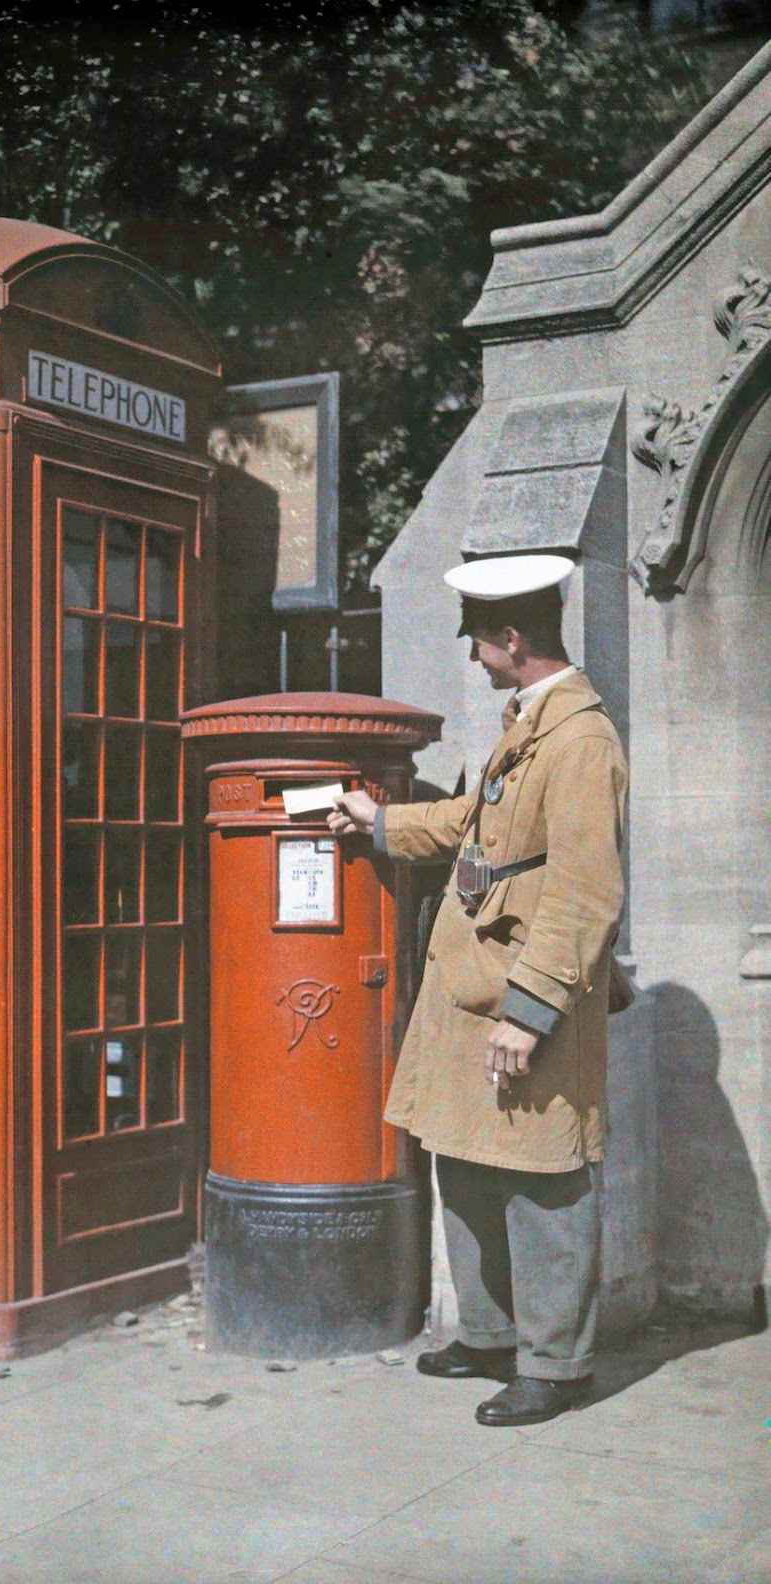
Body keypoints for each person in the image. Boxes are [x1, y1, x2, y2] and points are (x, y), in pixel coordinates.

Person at [328, 553, 628, 1427]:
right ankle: (491, 1335)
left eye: (479, 642)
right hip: (467, 987)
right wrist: (378, 821)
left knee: (541, 1182)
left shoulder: (579, 740)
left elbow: (585, 889)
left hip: (520, 993)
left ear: (512, 637)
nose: (471, 658)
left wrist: (529, 1015)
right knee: (461, 1159)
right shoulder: (527, 720)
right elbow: (473, 825)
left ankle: (556, 1364)